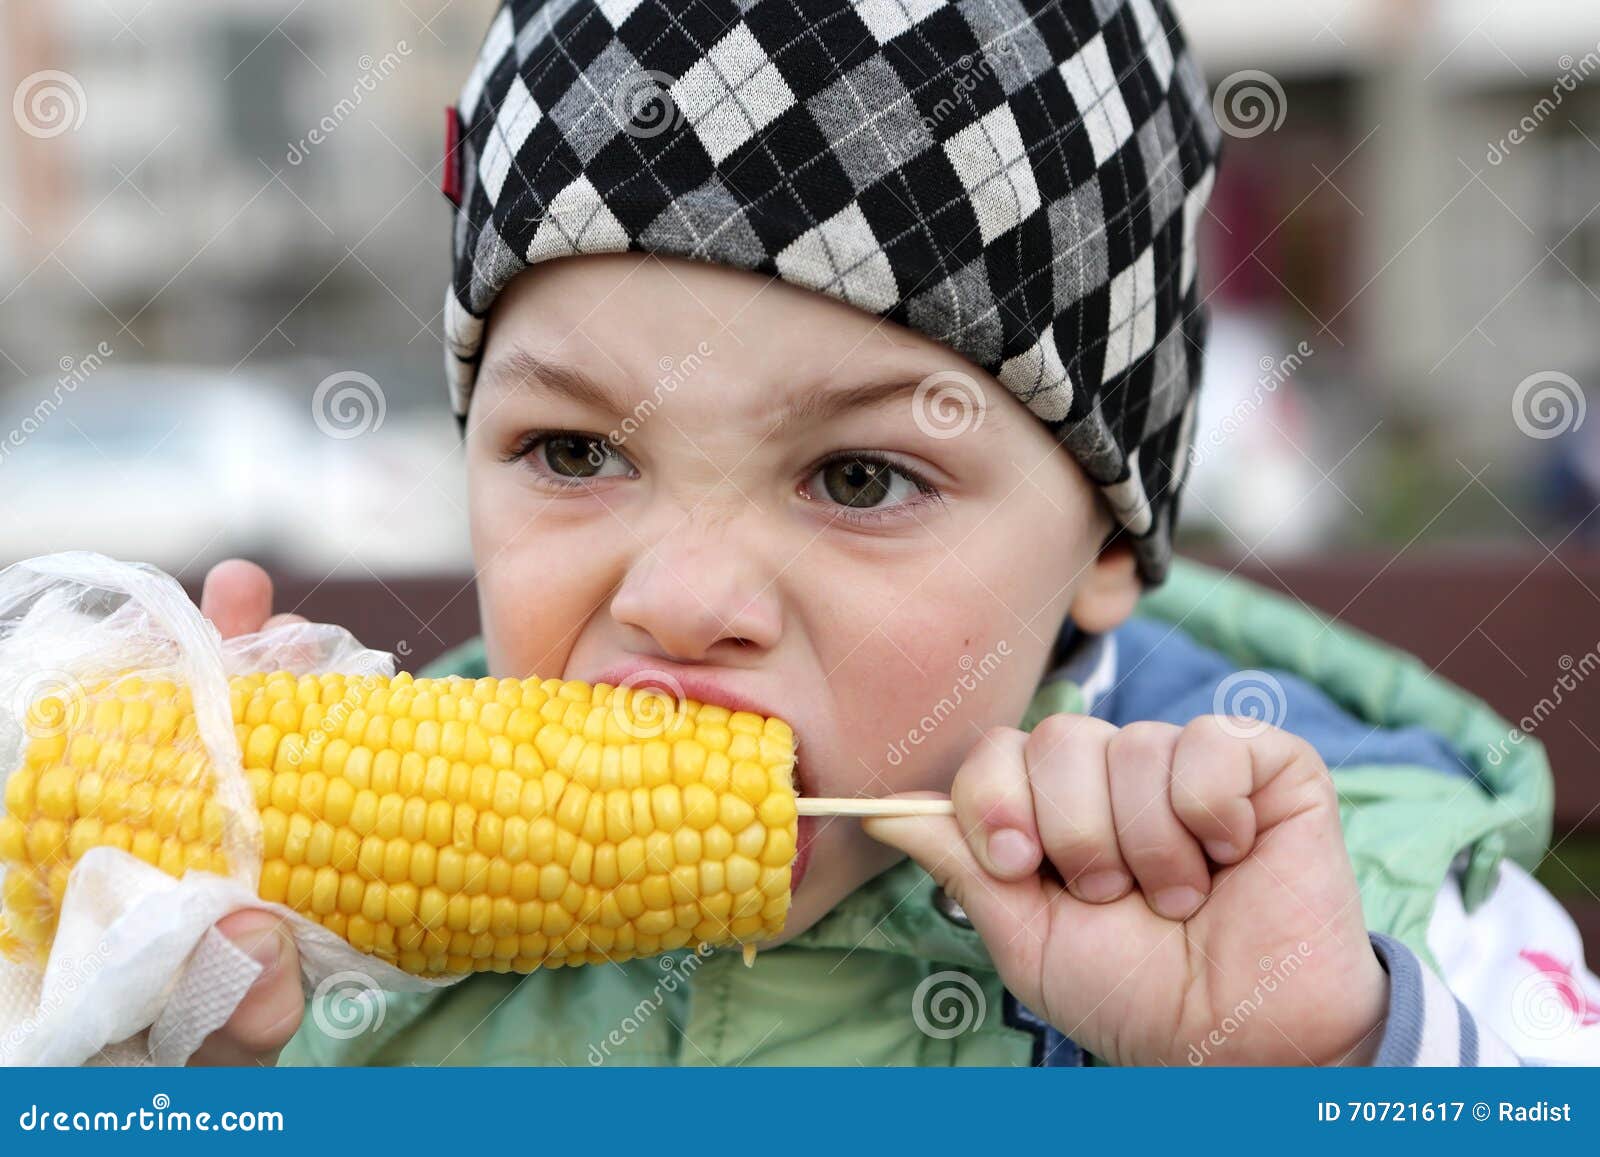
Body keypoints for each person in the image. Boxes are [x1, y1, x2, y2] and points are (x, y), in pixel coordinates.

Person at [189, 0, 1598, 1066]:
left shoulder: (1383, 906)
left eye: (859, 477)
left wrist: (1314, 1069)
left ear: (1106, 545)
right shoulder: (315, 954)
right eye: (574, 451)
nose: (684, 598)